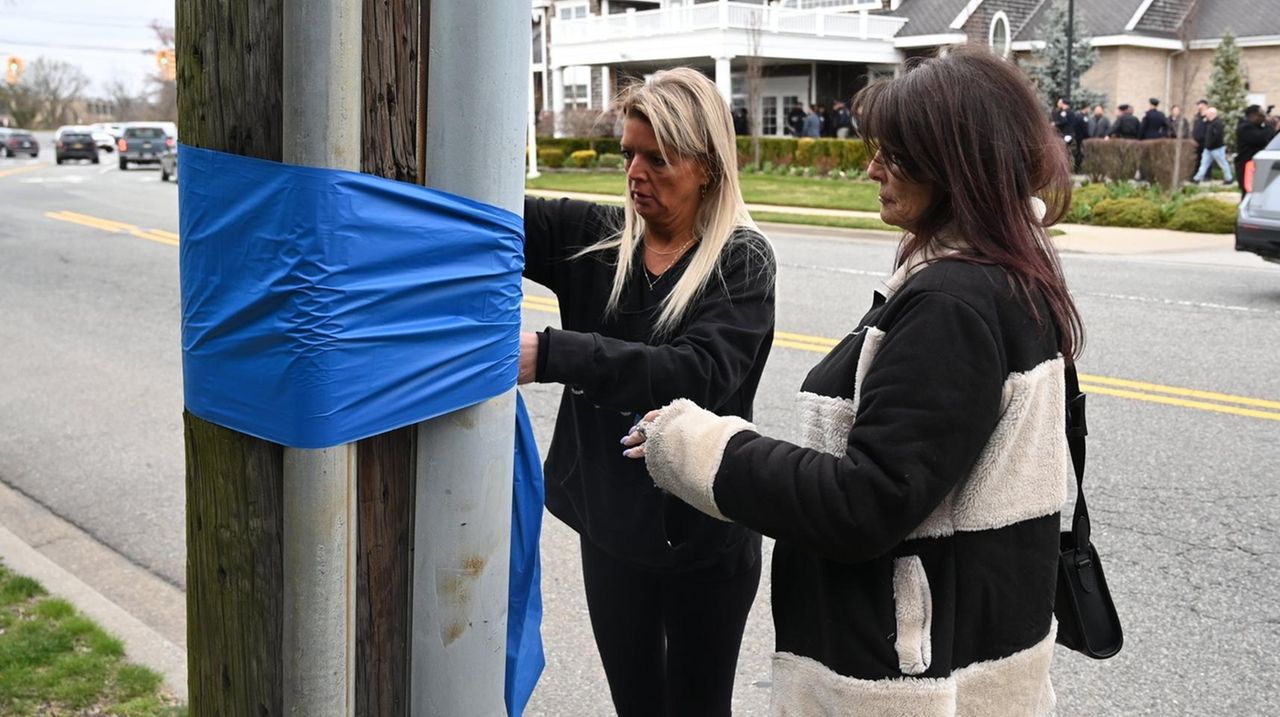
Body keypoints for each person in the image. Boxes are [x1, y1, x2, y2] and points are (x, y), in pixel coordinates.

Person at [622, 47, 1082, 715]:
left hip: (905, 677)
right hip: (973, 649)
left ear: (951, 163)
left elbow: (864, 503)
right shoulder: (1013, 274)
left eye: (893, 154)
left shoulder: (953, 304)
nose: (872, 168)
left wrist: (694, 443)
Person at [519, 67, 776, 717]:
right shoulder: (597, 238)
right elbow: (484, 221)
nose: (635, 171)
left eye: (657, 158)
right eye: (627, 152)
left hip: (704, 536)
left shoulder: (741, 261)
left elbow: (691, 372)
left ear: (707, 167)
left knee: (696, 706)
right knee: (635, 703)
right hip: (612, 530)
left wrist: (550, 353)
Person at [1237, 104, 1278, 195]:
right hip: (1248, 166)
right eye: (1261, 116)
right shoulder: (1245, 128)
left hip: (1259, 166)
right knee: (1249, 194)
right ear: (1253, 116)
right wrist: (1270, 125)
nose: (1264, 118)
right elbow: (1262, 138)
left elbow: (1271, 139)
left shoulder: (1257, 127)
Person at [1192, 106, 1233, 184]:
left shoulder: (1218, 123)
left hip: (1217, 148)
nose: (1206, 115)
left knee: (1222, 163)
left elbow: (1217, 136)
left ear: (1212, 114)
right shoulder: (1209, 123)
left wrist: (1210, 144)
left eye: (1207, 114)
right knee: (1204, 164)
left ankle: (1229, 178)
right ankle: (1197, 178)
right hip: (1208, 148)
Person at [1192, 98, 1210, 169]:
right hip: (1197, 141)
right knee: (1197, 158)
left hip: (1205, 141)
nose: (1199, 106)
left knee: (1206, 159)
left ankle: (1207, 175)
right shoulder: (1197, 116)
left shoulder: (1208, 115)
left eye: (1200, 105)